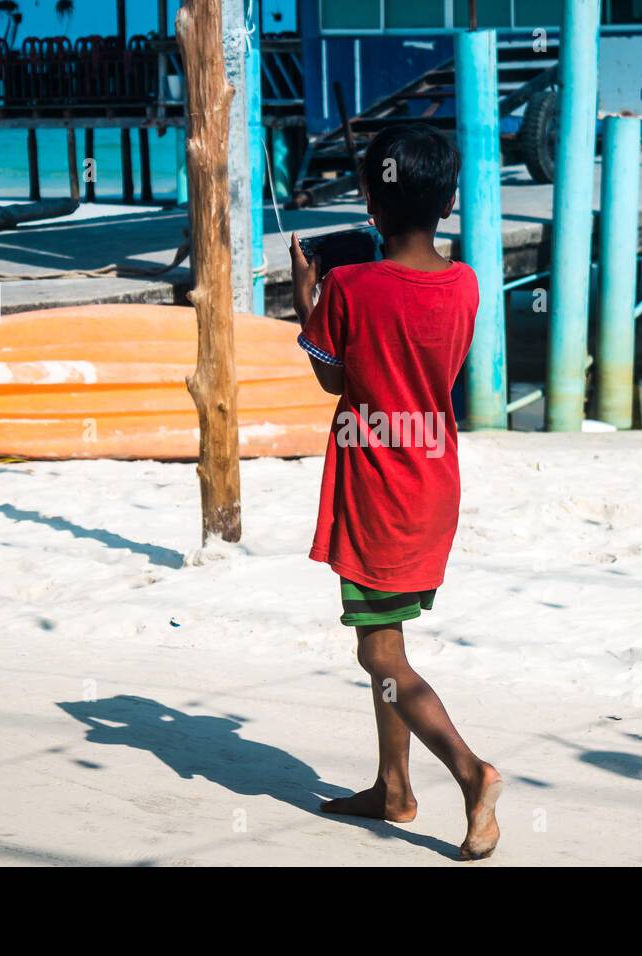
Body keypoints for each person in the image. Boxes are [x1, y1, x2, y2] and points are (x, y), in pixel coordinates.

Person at [289, 123, 502, 860]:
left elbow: (332, 375)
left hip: (376, 488)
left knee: (380, 656)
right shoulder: (466, 282)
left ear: (371, 204)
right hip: (433, 481)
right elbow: (416, 366)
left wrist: (305, 297)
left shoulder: (348, 286)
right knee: (389, 638)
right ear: (446, 201)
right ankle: (394, 789)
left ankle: (472, 775)